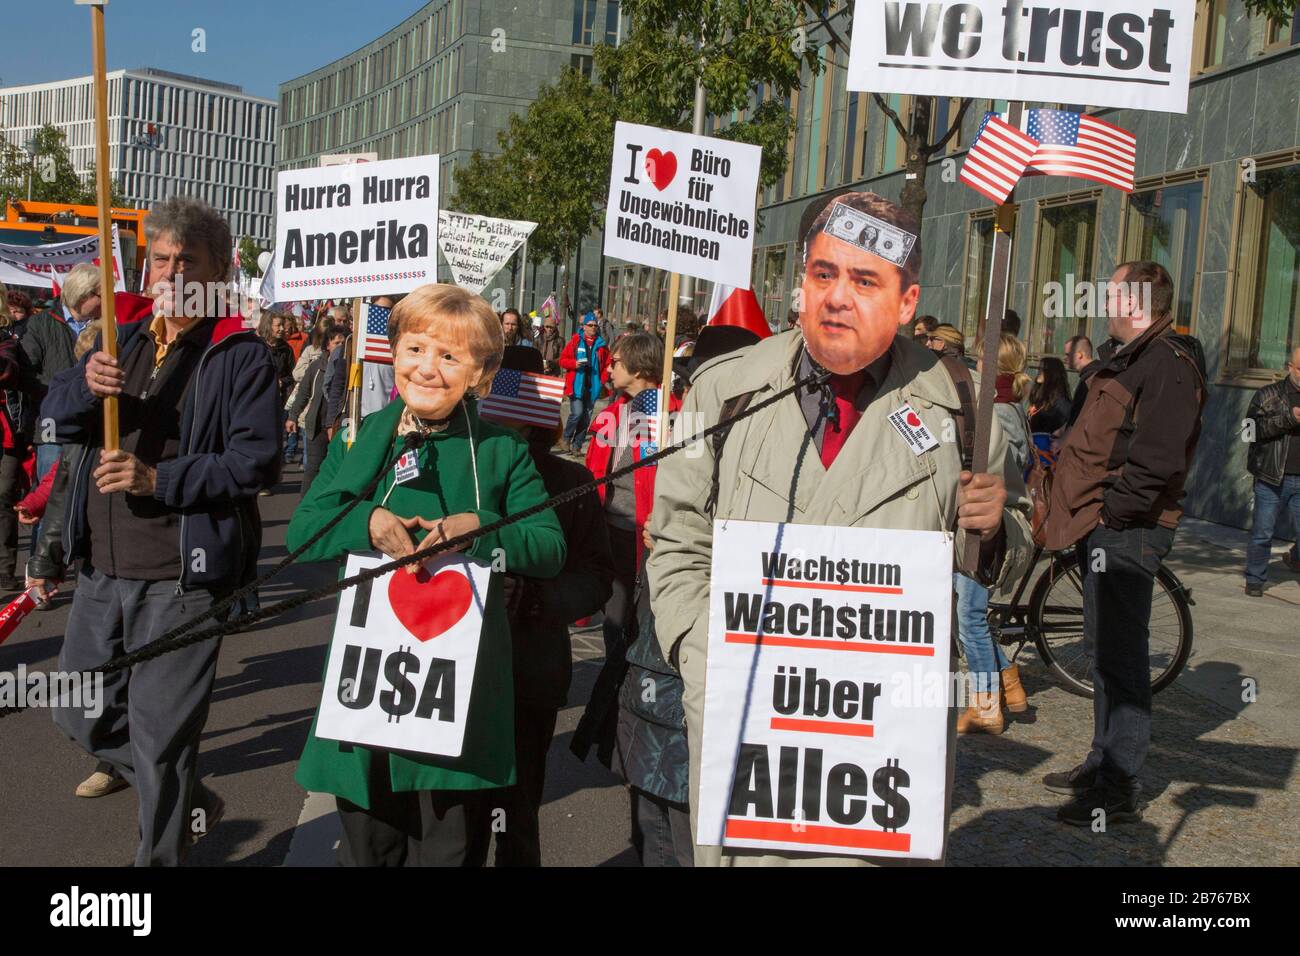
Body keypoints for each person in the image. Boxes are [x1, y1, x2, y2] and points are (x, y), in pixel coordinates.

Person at [646, 191, 1032, 866]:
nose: (836, 298)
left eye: (864, 281)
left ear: (906, 301)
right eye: (823, 274)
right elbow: (676, 537)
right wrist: (700, 651)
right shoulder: (726, 389)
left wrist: (996, 529)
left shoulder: (962, 410)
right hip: (747, 721)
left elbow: (1012, 547)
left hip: (883, 747)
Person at [288, 283, 566, 867]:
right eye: (416, 349)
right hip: (367, 697)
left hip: (454, 702)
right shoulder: (360, 436)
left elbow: (547, 547)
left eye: (450, 356)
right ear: (395, 352)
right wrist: (367, 520)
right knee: (368, 852)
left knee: (448, 854)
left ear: (481, 372)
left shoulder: (503, 450)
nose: (428, 369)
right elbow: (302, 534)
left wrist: (480, 528)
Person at [43, 195, 282, 865]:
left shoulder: (239, 355)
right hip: (100, 571)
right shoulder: (120, 339)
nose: (172, 271)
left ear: (217, 270)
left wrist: (159, 482)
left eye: (189, 260)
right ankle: (177, 791)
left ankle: (162, 848)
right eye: (161, 259)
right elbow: (57, 418)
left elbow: (255, 462)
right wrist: (85, 385)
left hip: (182, 578)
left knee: (161, 737)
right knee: (76, 709)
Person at [1039, 260, 1206, 827]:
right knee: (1104, 652)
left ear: (1136, 300)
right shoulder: (1129, 357)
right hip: (1105, 527)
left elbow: (1158, 460)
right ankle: (1101, 762)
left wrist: (1113, 514)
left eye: (1113, 294)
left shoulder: (1169, 364)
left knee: (1124, 658)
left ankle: (1118, 787)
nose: (1103, 302)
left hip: (1128, 530)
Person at [614, 323, 758, 867]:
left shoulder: (758, 430)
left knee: (690, 822)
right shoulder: (691, 422)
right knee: (659, 821)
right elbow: (671, 518)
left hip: (718, 669)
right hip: (665, 663)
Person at [476, 344, 612, 865]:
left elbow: (598, 576)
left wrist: (534, 599)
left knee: (516, 808)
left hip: (526, 672)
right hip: (450, 674)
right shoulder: (456, 468)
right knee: (453, 819)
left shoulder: (569, 483)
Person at [955, 333, 1032, 735]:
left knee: (970, 619)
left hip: (991, 527)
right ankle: (1012, 686)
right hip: (990, 523)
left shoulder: (998, 411)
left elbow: (1002, 471)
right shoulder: (1010, 405)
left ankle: (986, 709)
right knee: (969, 616)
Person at [1243, 346, 1300, 597]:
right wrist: (1289, 418)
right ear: (1290, 367)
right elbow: (1249, 431)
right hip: (1271, 478)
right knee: (1263, 533)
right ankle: (1255, 579)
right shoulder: (1268, 394)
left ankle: (1295, 558)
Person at [285, 324, 348, 497]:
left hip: (339, 426)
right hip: (316, 427)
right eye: (337, 343)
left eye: (344, 343)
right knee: (313, 469)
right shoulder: (316, 366)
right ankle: (304, 509)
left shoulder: (349, 367)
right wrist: (292, 416)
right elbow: (303, 393)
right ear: (328, 345)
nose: (340, 348)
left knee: (337, 469)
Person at [0, 286, 24, 592]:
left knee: (4, 494)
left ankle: (5, 567)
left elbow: (9, 369)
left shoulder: (7, 339)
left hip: (6, 427)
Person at [558, 313, 610, 456]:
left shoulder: (601, 345)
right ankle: (566, 438)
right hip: (577, 385)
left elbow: (608, 364)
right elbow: (562, 360)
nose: (593, 327)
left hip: (593, 386)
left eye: (595, 325)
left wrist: (602, 380)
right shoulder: (575, 341)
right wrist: (574, 364)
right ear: (584, 326)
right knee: (577, 413)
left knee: (586, 418)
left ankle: (577, 445)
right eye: (590, 325)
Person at [1028, 356, 1073, 435]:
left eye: (1043, 369)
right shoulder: (1041, 399)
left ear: (1053, 373)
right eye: (1039, 369)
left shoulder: (1061, 403)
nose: (1039, 372)